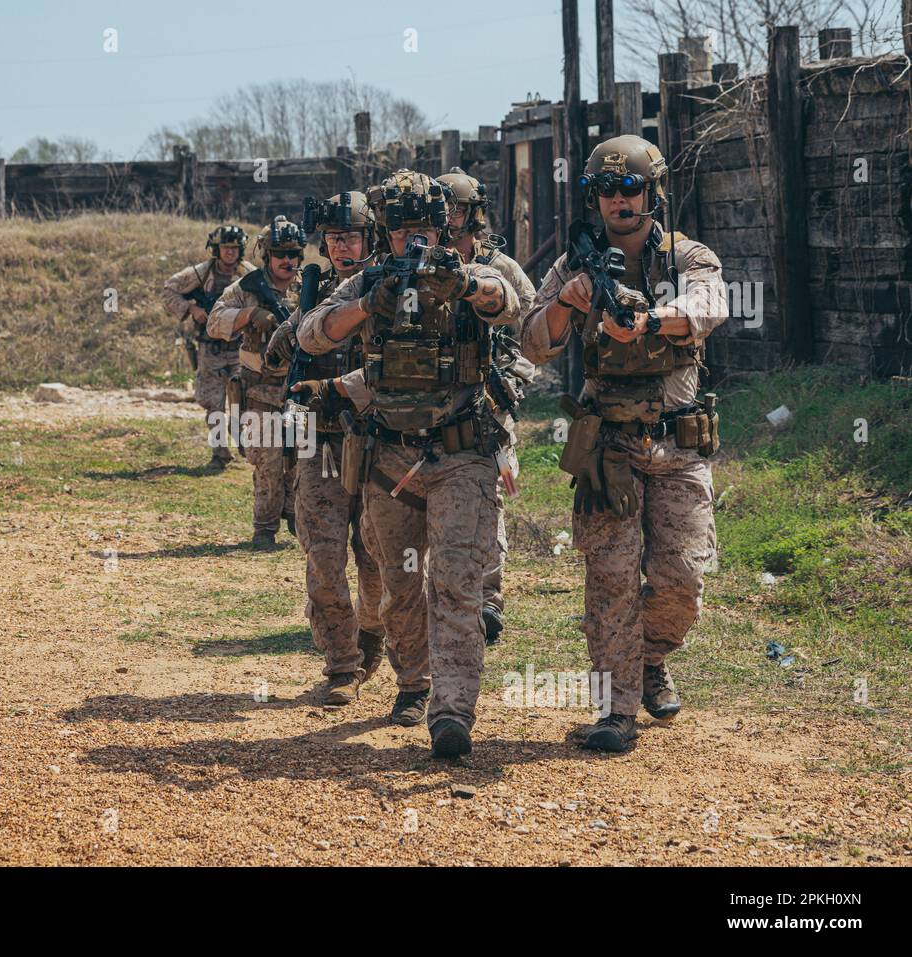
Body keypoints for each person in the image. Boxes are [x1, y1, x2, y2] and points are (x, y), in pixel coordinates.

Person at [296, 170, 522, 758]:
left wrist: (465, 284)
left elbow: (509, 304)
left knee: (456, 583)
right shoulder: (368, 282)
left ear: (444, 224)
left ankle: (453, 711)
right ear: (385, 235)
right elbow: (311, 337)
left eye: (426, 228)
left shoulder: (472, 273)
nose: (415, 241)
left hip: (461, 453)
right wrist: (369, 303)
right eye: (402, 233)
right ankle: (413, 684)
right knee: (400, 587)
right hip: (387, 459)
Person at [521, 135, 728, 752]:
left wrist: (648, 318)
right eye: (607, 191)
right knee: (610, 579)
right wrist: (567, 301)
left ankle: (650, 659)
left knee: (682, 581)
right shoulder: (574, 264)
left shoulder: (688, 255)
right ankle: (616, 709)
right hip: (607, 447)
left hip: (679, 443)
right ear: (595, 199)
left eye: (630, 188)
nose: (619, 200)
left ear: (652, 191)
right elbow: (533, 341)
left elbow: (709, 305)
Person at [263, 192, 384, 705]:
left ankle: (373, 640)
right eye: (333, 238)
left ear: (369, 238)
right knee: (324, 558)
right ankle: (340, 663)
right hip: (321, 446)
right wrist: (289, 332)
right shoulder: (317, 295)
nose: (341, 246)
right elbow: (277, 361)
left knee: (378, 561)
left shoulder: (387, 287)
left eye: (351, 236)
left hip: (378, 443)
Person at [438, 167, 538, 644]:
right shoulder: (422, 261)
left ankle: (489, 599)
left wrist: (512, 374)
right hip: (436, 402)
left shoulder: (500, 266)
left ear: (473, 214)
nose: (449, 220)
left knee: (491, 496)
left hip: (489, 402)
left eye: (456, 211)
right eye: (442, 211)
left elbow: (534, 326)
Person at [207, 216, 304, 547]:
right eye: (280, 254)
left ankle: (295, 517)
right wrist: (249, 316)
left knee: (300, 460)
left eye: (293, 254)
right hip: (259, 390)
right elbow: (214, 322)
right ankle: (264, 528)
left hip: (300, 389)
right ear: (267, 255)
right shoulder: (246, 288)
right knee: (267, 462)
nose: (287, 261)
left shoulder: (307, 286)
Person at [161, 225, 254, 471]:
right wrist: (192, 309)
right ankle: (220, 454)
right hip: (210, 349)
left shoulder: (249, 275)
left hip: (240, 348)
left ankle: (246, 449)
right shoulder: (201, 274)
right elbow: (169, 290)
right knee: (213, 404)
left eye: (235, 248)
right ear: (216, 249)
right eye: (226, 248)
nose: (230, 253)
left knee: (243, 402)